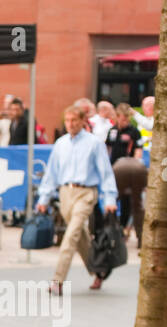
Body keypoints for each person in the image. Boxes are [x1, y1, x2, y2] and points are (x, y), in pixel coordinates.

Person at [36, 105, 119, 293]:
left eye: (74, 120)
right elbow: (52, 173)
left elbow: (106, 173)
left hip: (86, 192)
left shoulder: (94, 143)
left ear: (83, 121)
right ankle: (99, 271)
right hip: (66, 193)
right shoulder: (61, 144)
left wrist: (110, 199)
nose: (70, 124)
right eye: (67, 120)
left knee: (71, 235)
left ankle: (57, 280)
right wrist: (44, 198)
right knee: (80, 238)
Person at [108, 103, 145, 247]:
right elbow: (108, 150)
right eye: (121, 119)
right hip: (114, 170)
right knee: (113, 200)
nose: (124, 122)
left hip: (129, 170)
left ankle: (138, 236)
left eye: (126, 119)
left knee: (133, 203)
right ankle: (114, 232)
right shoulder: (112, 131)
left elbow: (138, 151)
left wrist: (134, 165)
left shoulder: (134, 132)